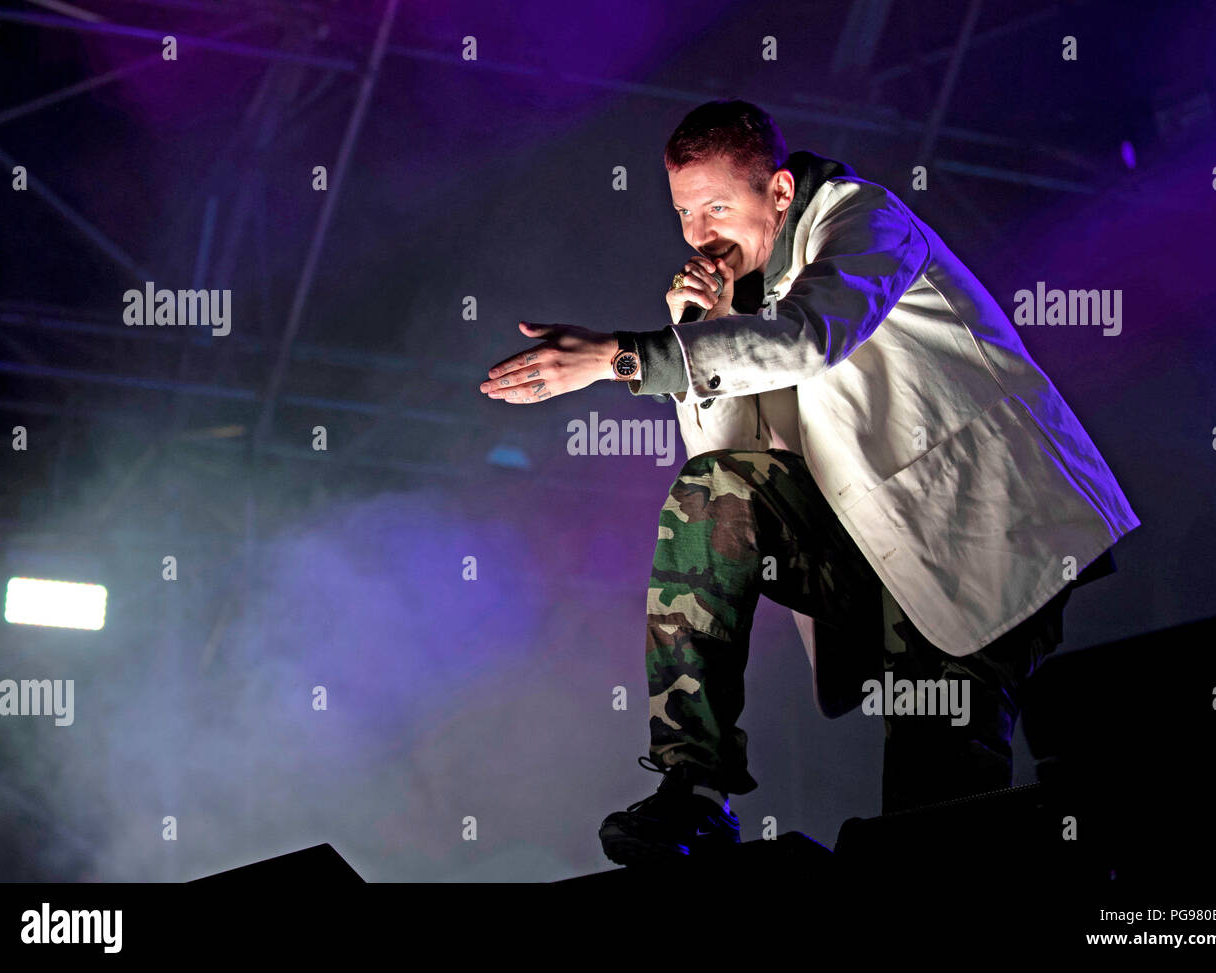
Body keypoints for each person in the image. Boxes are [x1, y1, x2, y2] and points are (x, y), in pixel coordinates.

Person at [478, 99, 1139, 866]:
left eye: (717, 206)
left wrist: (625, 357)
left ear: (781, 194)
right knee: (711, 490)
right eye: (685, 213)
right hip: (881, 545)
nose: (699, 233)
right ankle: (694, 785)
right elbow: (724, 462)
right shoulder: (747, 302)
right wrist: (700, 327)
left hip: (989, 534)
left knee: (940, 804)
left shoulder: (863, 221)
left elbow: (809, 340)